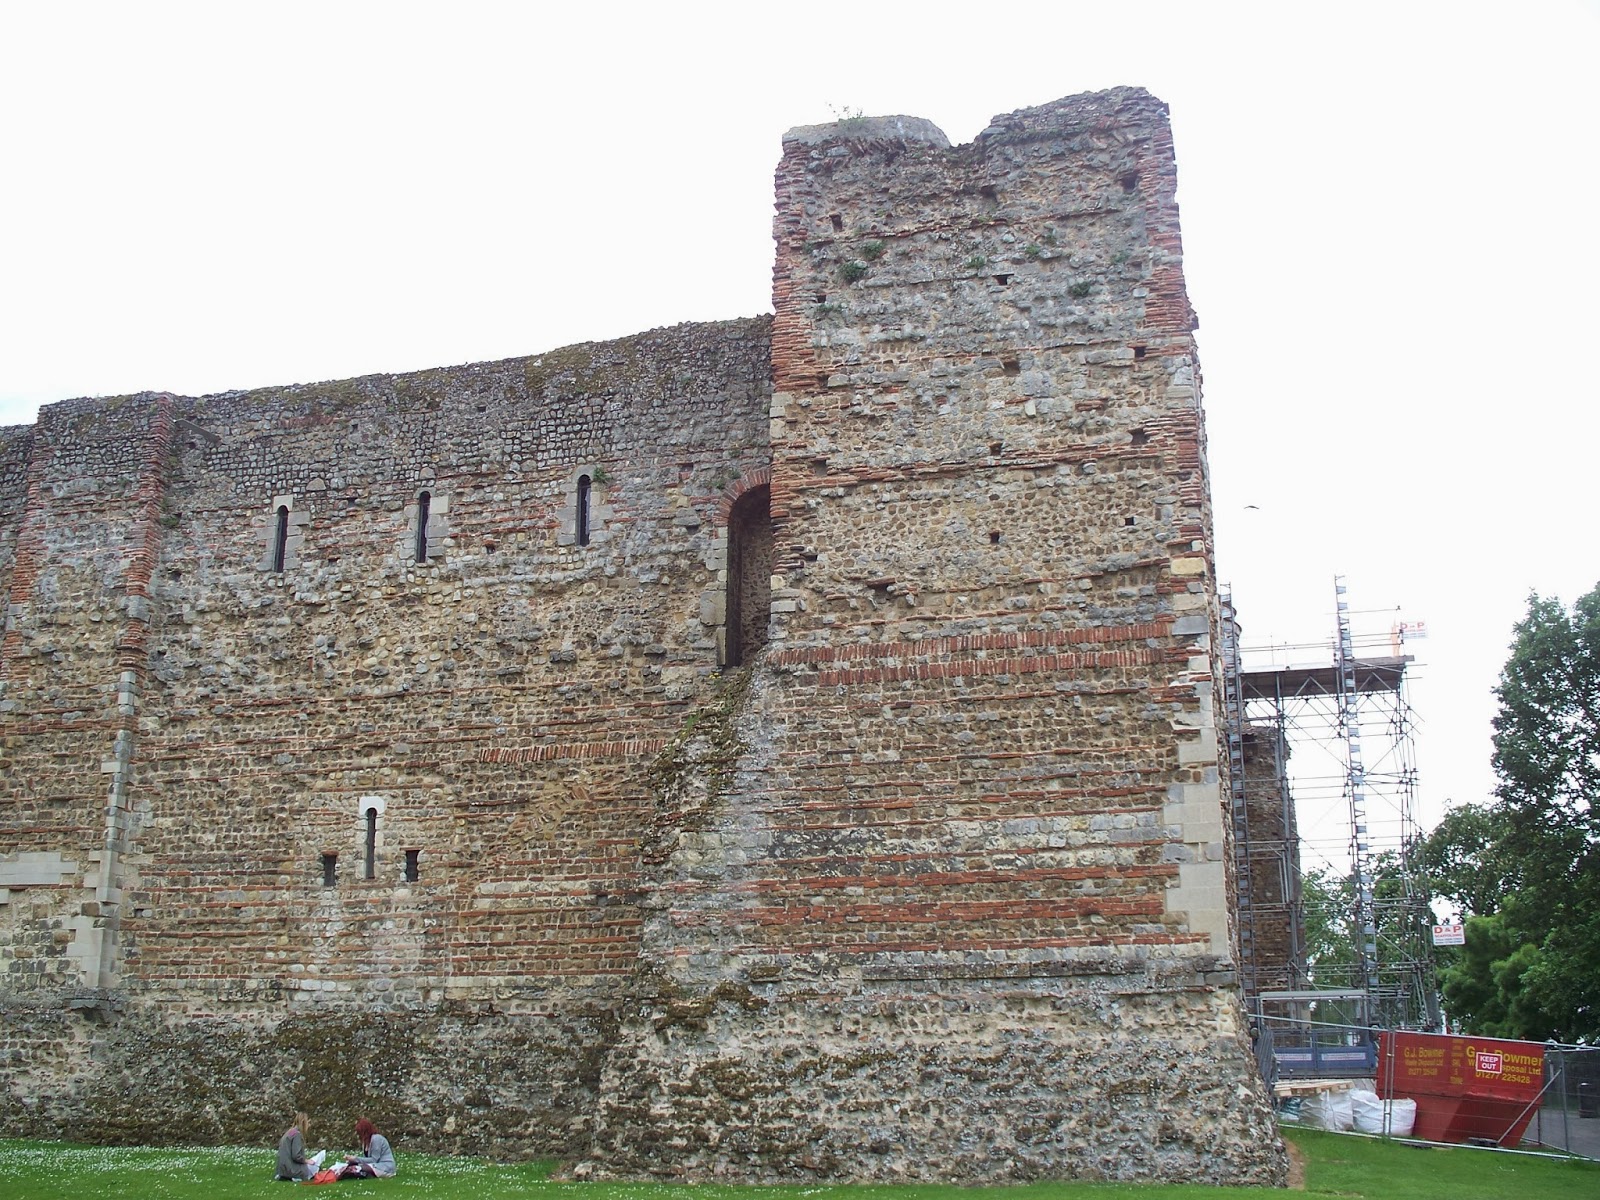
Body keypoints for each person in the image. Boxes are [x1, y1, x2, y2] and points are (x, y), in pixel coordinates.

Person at [275, 1111, 327, 1182]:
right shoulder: (297, 1135)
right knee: (315, 1166)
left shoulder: (290, 1132)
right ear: (303, 1122)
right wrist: (306, 1161)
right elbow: (296, 1156)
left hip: (282, 1169)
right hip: (290, 1169)